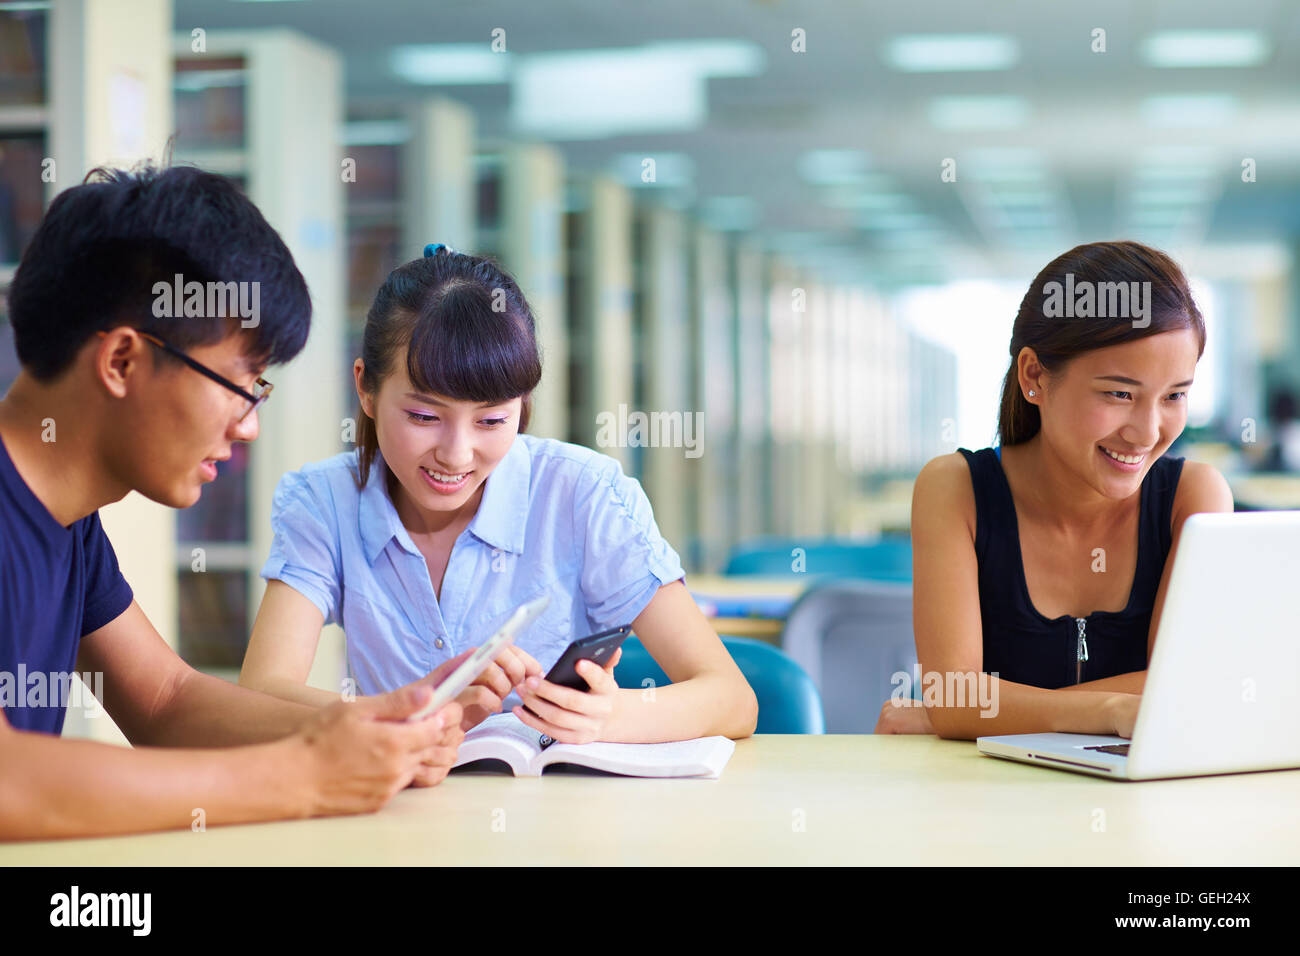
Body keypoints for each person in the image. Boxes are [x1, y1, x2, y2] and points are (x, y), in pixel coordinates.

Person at [0, 165, 467, 841]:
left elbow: (164, 701)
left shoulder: (66, 521)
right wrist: (305, 778)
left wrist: (360, 729)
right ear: (123, 362)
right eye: (241, 382)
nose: (249, 425)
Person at [239, 244, 758, 744]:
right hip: (400, 817)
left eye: (492, 420)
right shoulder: (325, 500)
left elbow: (733, 699)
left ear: (522, 406)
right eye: (423, 416)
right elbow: (259, 699)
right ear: (366, 389)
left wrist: (611, 716)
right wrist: (413, 708)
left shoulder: (582, 493)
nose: (457, 454)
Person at [876, 240, 1233, 738]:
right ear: (1034, 376)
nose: (1148, 432)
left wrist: (976, 713)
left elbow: (1194, 688)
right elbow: (953, 697)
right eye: (1119, 393)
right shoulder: (954, 489)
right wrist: (1109, 711)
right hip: (985, 805)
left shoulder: (1195, 499)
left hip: (1144, 806)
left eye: (1175, 395)